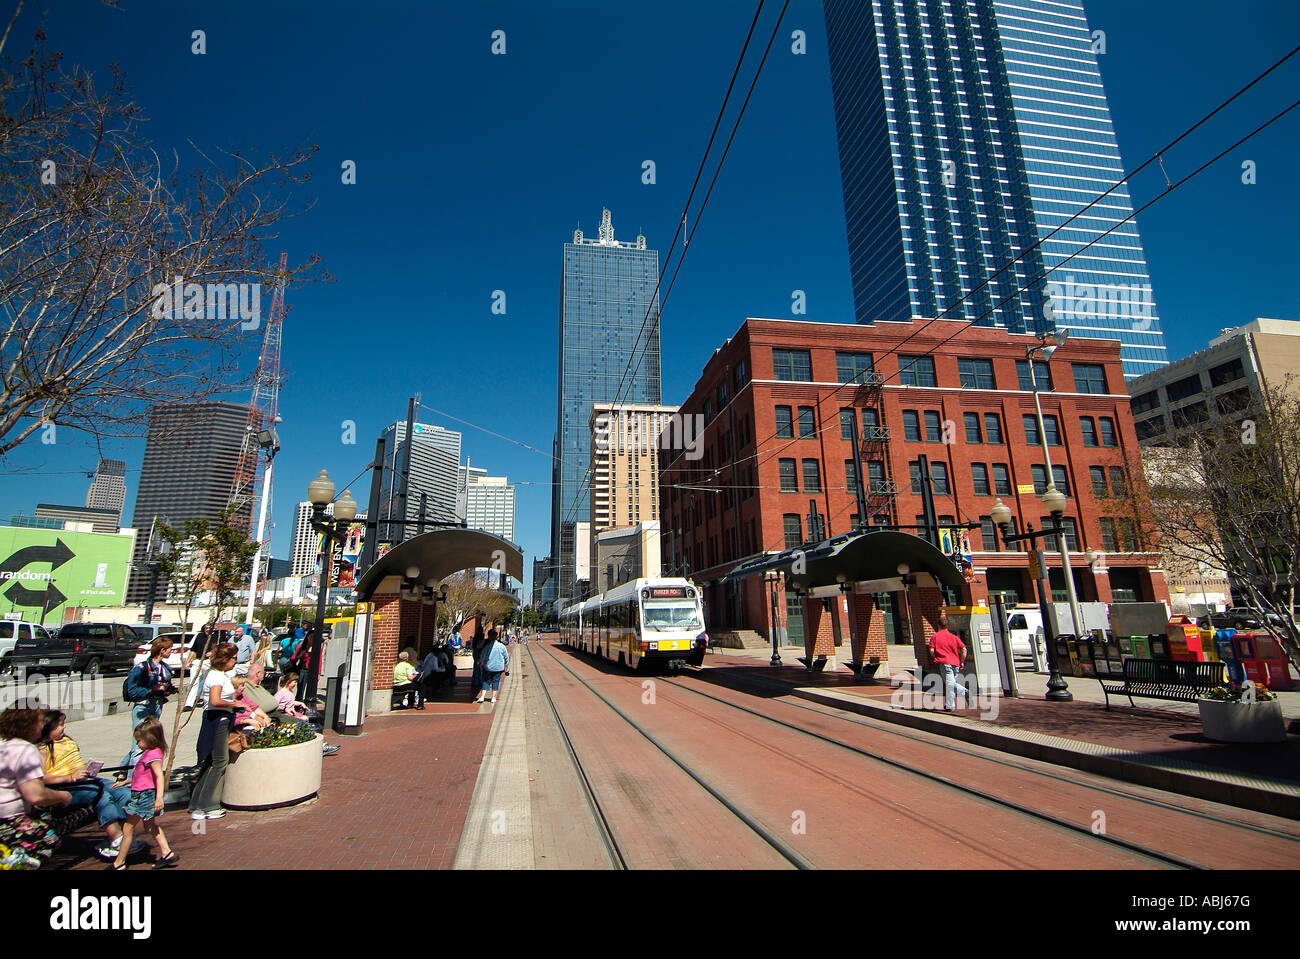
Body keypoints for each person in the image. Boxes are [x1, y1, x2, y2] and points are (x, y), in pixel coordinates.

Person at [37, 710, 142, 860]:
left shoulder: (67, 740)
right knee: (101, 795)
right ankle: (117, 838)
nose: (64, 727)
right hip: (66, 786)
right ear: (49, 727)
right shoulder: (43, 748)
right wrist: (71, 777)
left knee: (122, 792)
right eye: (60, 725)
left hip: (86, 779)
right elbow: (42, 778)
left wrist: (87, 770)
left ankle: (124, 834)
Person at [0, 706, 70, 869]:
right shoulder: (24, 749)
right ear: (27, 725)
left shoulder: (3, 744)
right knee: (48, 839)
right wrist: (63, 796)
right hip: (8, 818)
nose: (43, 726)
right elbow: (36, 795)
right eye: (40, 722)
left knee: (44, 817)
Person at [112, 717, 178, 869]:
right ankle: (167, 853)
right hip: (143, 793)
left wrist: (159, 797)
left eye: (139, 740)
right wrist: (125, 782)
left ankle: (119, 863)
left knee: (127, 828)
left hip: (143, 796)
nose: (137, 744)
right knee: (150, 826)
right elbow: (142, 776)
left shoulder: (152, 755)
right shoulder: (151, 752)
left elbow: (158, 776)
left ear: (150, 739)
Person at [189, 642, 239, 820]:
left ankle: (196, 803)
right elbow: (215, 700)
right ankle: (207, 805)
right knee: (220, 762)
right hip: (217, 719)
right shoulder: (216, 677)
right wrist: (234, 704)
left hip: (219, 718)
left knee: (210, 761)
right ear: (224, 659)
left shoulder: (219, 675)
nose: (235, 661)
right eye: (233, 658)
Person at [121, 637, 178, 772]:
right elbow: (132, 690)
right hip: (143, 706)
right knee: (139, 743)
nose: (172, 651)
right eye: (170, 649)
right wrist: (152, 690)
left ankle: (123, 769)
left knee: (147, 741)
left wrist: (169, 689)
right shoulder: (142, 668)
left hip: (157, 705)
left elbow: (166, 685)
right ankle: (132, 782)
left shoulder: (165, 668)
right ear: (162, 650)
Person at [928, 613, 969, 712]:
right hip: (955, 663)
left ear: (938, 625)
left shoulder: (935, 636)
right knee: (951, 684)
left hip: (945, 663)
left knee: (950, 684)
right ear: (947, 626)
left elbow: (932, 651)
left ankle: (965, 692)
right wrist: (962, 661)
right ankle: (950, 705)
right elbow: (964, 649)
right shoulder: (954, 637)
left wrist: (936, 657)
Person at [474, 628, 509, 706]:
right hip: (499, 667)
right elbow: (506, 656)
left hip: (488, 667)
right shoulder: (501, 646)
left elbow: (483, 656)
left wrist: (481, 664)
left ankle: (482, 696)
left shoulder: (487, 646)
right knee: (496, 681)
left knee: (486, 681)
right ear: (496, 636)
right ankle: (493, 698)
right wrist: (506, 665)